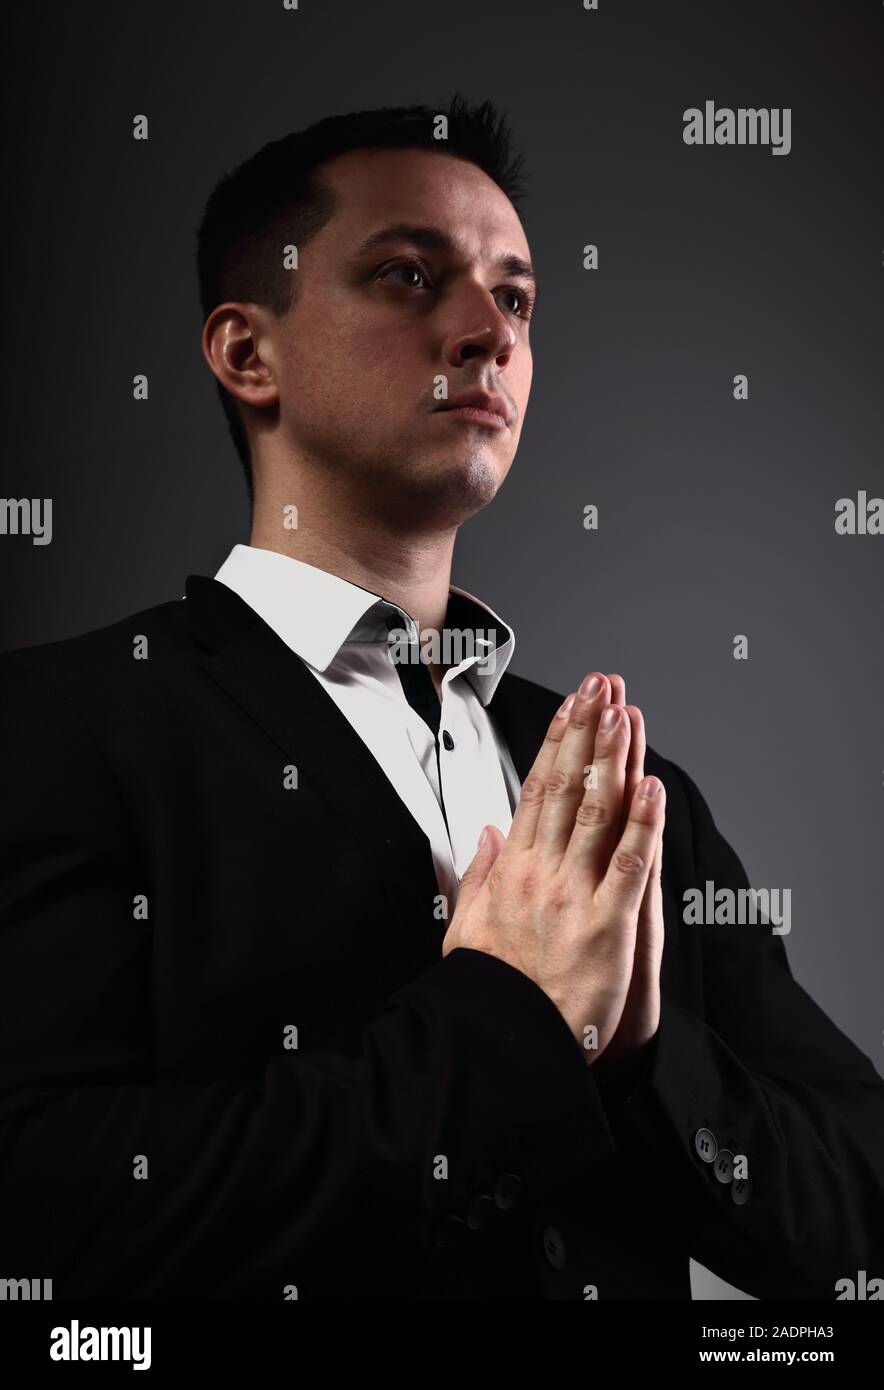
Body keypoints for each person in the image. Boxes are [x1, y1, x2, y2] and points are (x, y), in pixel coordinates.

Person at [1, 97, 882, 1301]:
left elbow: (858, 1218)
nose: (487, 331)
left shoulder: (626, 790)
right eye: (411, 277)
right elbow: (45, 1217)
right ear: (245, 352)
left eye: (514, 298)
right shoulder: (56, 727)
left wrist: (632, 1055)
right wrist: (508, 1026)